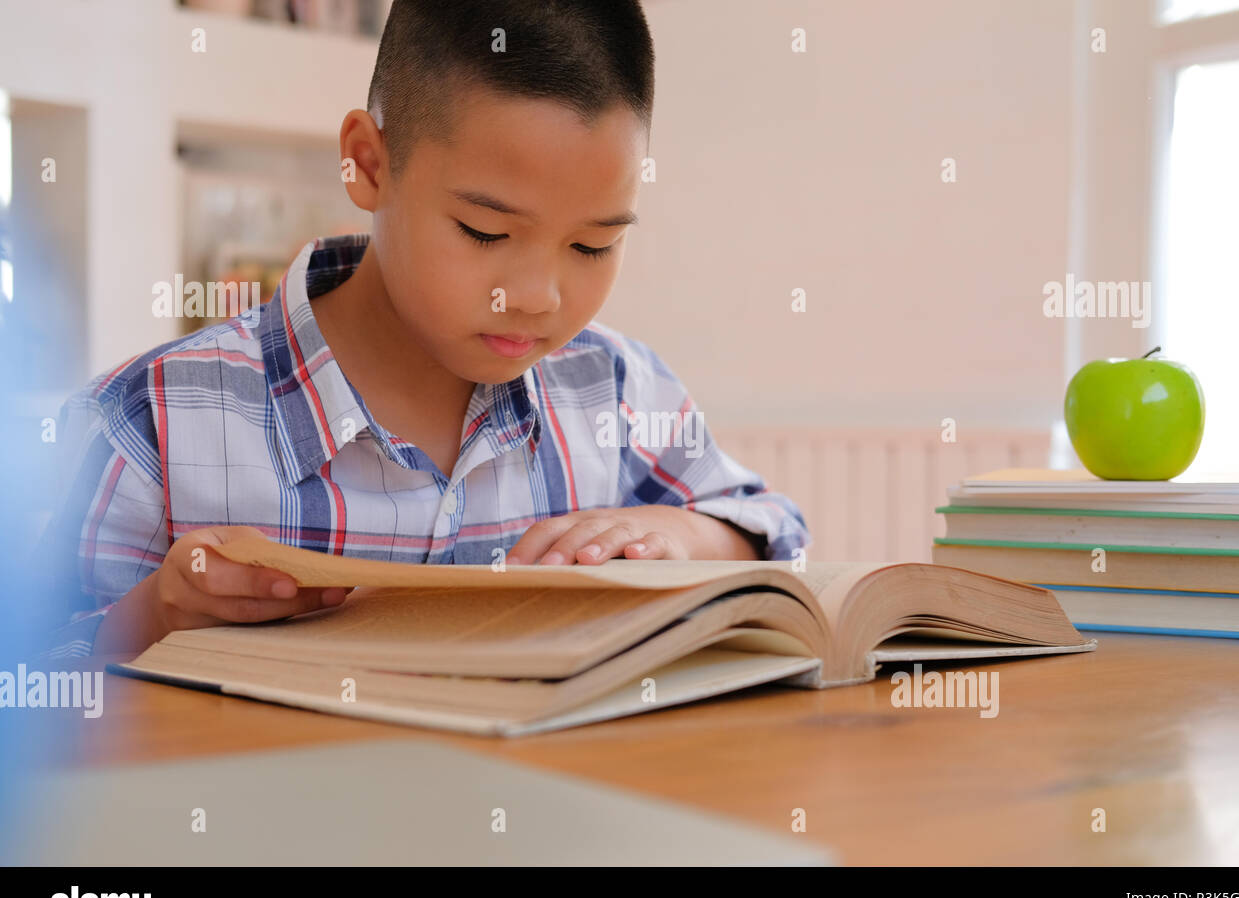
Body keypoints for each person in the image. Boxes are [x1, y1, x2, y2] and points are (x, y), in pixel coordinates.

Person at [34, 0, 811, 660]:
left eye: (593, 244)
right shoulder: (152, 423)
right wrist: (153, 619)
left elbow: (772, 529)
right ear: (367, 166)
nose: (538, 297)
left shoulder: (610, 388)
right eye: (483, 232)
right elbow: (28, 684)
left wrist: (678, 536)